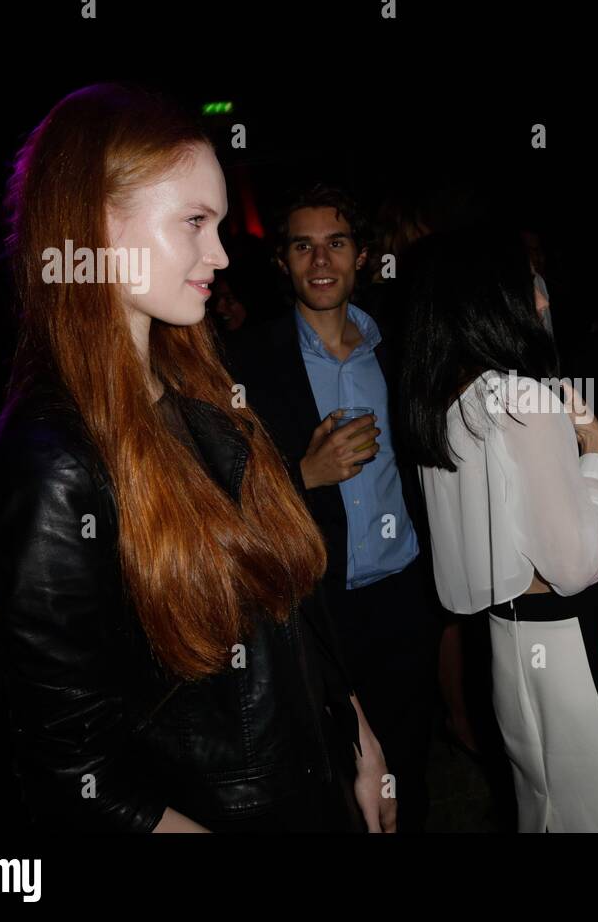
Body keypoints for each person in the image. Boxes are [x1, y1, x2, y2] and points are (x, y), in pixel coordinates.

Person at [0, 84, 393, 832]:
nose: (222, 253)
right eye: (195, 223)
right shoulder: (56, 458)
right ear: (94, 229)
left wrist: (356, 733)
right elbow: (69, 767)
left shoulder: (206, 390)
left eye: (220, 224)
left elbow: (290, 601)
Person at [401, 229, 598, 832]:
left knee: (543, 811)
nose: (541, 301)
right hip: (563, 642)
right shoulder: (521, 399)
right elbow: (576, 564)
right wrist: (597, 463)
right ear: (492, 300)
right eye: (526, 286)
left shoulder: (444, 398)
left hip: (503, 641)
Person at [228, 185, 439, 831]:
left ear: (363, 256)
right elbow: (221, 496)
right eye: (303, 246)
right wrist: (305, 474)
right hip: (316, 607)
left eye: (337, 243)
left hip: (403, 597)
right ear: (283, 262)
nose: (321, 261)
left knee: (410, 770)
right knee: (334, 784)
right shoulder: (244, 362)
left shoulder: (401, 348)